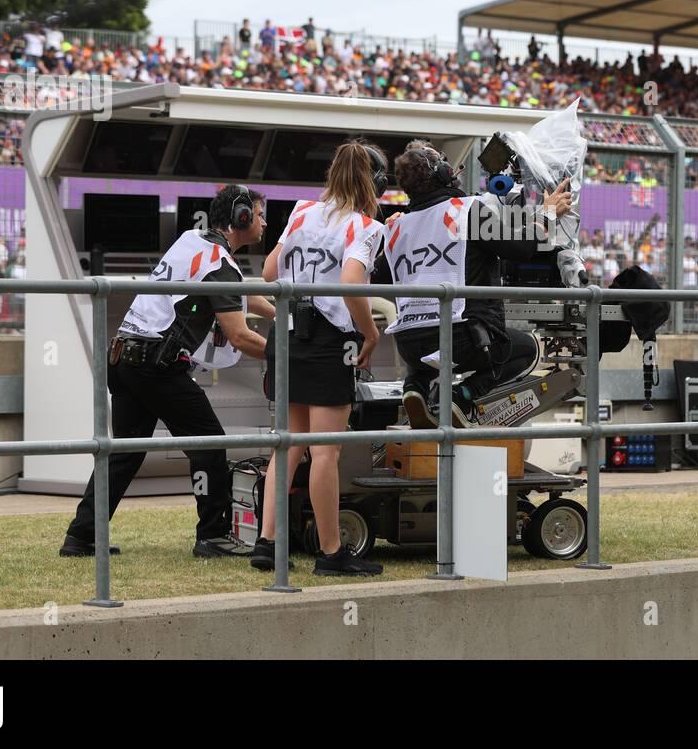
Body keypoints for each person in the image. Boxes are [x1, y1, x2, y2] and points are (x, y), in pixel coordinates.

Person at [60, 185, 270, 559]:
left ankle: (81, 535)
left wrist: (284, 306)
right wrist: (286, 352)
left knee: (124, 451)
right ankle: (212, 536)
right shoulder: (221, 266)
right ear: (241, 218)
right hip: (157, 364)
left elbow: (238, 292)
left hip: (124, 356)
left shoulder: (193, 241)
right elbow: (239, 336)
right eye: (259, 213)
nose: (264, 222)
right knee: (209, 444)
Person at [253, 142, 387, 577]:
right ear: (375, 183)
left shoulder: (300, 211)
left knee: (288, 445)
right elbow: (351, 283)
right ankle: (331, 553)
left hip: (288, 332)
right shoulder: (365, 225)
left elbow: (270, 272)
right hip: (328, 341)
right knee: (325, 452)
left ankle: (267, 543)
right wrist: (370, 331)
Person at [372, 140, 572, 428]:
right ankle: (460, 396)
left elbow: (376, 274)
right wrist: (548, 214)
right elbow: (521, 247)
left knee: (426, 355)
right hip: (464, 339)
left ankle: (414, 390)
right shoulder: (467, 211)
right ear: (441, 173)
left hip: (410, 345)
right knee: (526, 349)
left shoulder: (396, 227)